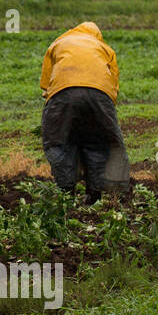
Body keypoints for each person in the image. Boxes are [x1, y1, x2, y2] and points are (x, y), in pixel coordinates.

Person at [39, 22, 129, 204]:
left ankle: (66, 192)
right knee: (98, 143)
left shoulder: (58, 44)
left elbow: (45, 84)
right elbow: (114, 85)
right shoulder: (104, 48)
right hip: (100, 95)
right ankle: (97, 194)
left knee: (58, 142)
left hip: (62, 92)